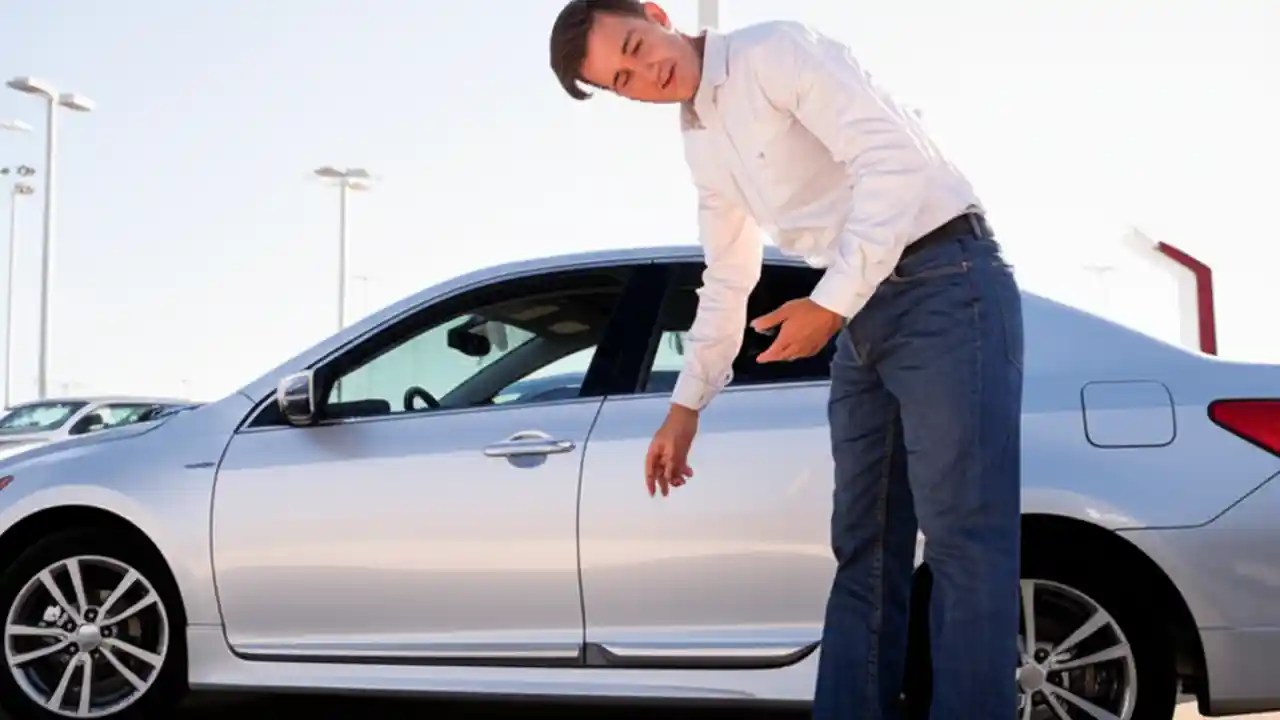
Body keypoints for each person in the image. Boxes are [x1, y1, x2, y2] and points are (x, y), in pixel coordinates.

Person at [548, 2, 1024, 717]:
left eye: (638, 46)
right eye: (623, 80)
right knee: (864, 547)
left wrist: (828, 305)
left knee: (964, 540)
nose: (647, 73)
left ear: (655, 14)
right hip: (863, 309)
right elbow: (728, 275)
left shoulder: (775, 52)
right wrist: (687, 407)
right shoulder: (701, 141)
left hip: (945, 281)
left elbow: (894, 161)